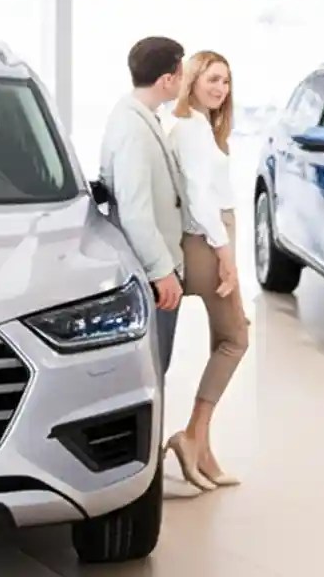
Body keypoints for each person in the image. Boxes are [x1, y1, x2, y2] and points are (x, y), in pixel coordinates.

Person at [164, 50, 248, 491]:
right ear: (192, 80)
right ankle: (192, 436)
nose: (221, 89)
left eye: (226, 82)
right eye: (213, 79)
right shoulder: (192, 130)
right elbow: (199, 198)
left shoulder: (199, 127)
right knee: (237, 338)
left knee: (226, 335)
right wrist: (225, 252)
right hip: (206, 241)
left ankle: (204, 447)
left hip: (213, 237)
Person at [98, 36, 188, 375]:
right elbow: (136, 212)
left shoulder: (140, 116)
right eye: (181, 72)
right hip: (151, 270)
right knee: (152, 370)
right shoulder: (133, 128)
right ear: (167, 79)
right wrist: (161, 270)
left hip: (154, 264)